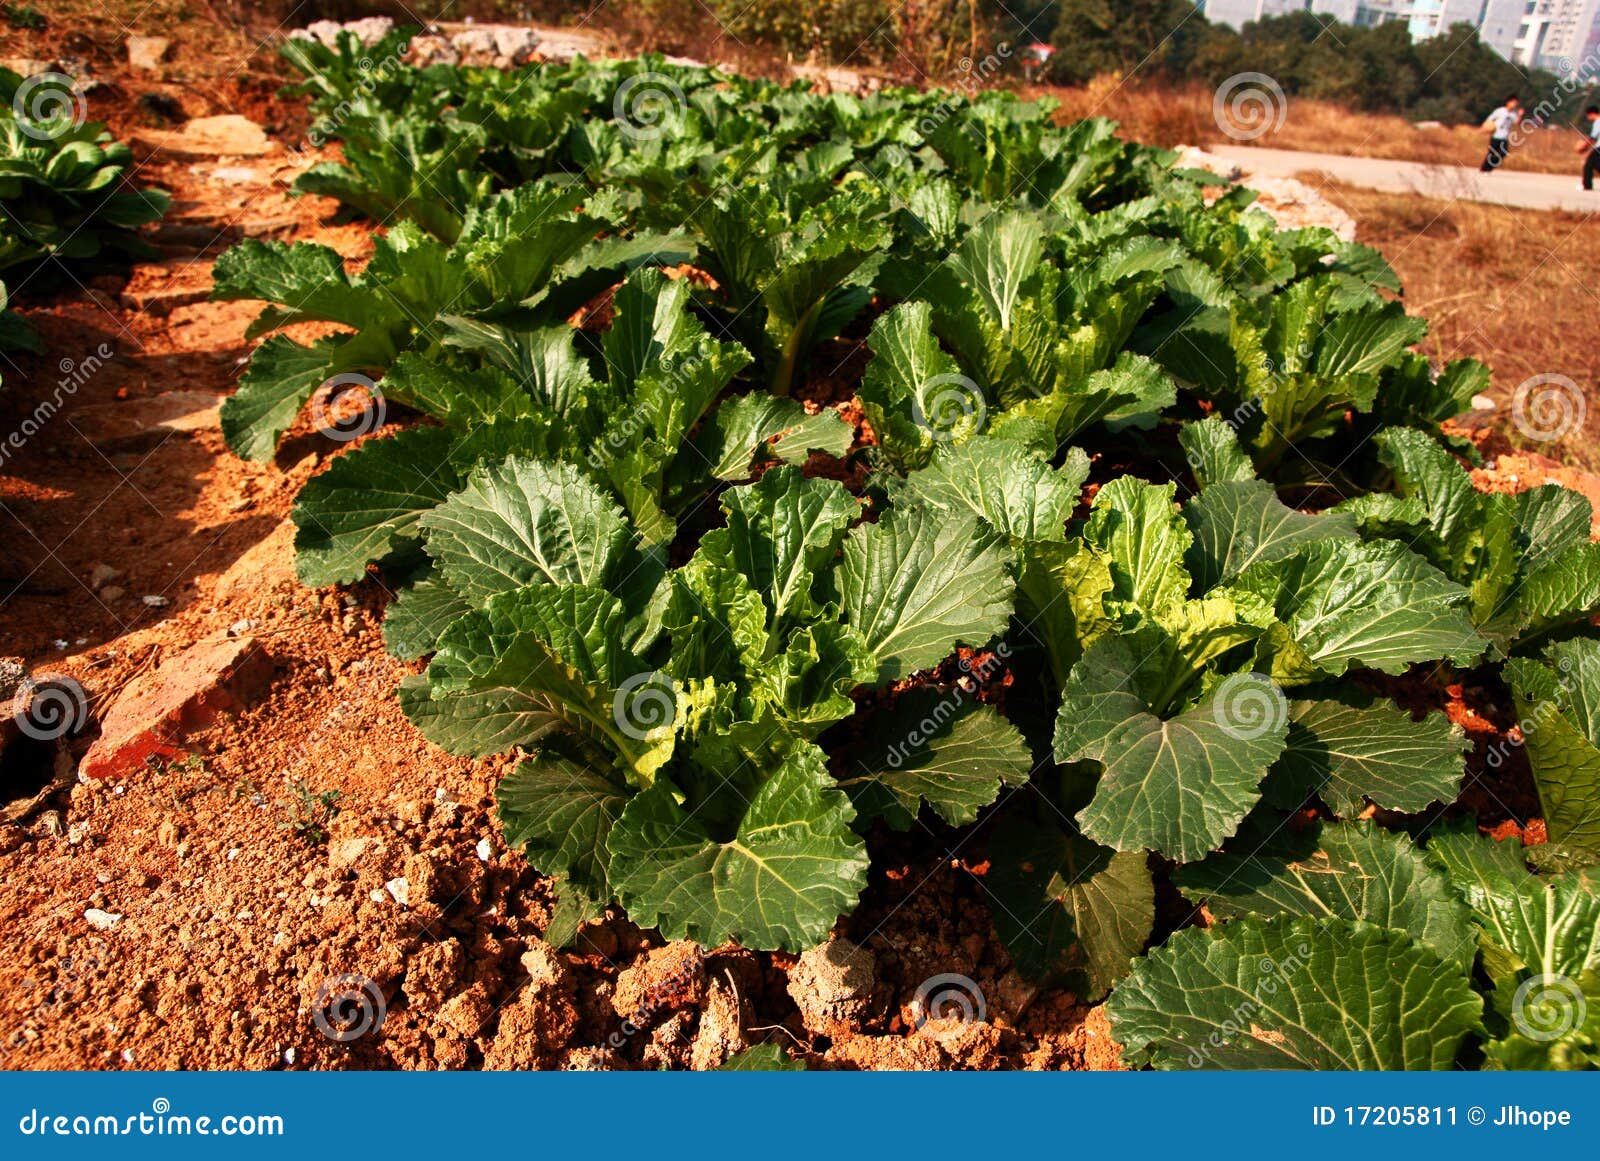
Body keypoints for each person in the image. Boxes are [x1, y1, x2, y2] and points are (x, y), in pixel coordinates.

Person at [1480, 95, 1520, 172]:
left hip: (1504, 137)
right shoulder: (1500, 111)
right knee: (1491, 153)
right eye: (1513, 103)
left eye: (1516, 103)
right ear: (1508, 102)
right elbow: (1490, 118)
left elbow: (1516, 122)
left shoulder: (1514, 114)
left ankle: (1490, 167)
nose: (1514, 105)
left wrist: (1520, 115)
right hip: (1496, 135)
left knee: (1503, 153)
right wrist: (1486, 127)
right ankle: (1484, 169)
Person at [1578, 106, 1600, 191]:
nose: (1588, 118)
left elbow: (1593, 138)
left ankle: (1587, 186)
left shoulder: (1598, 122)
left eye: (1588, 116)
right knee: (1596, 165)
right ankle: (1587, 185)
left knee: (1588, 165)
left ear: (1591, 114)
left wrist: (1583, 147)